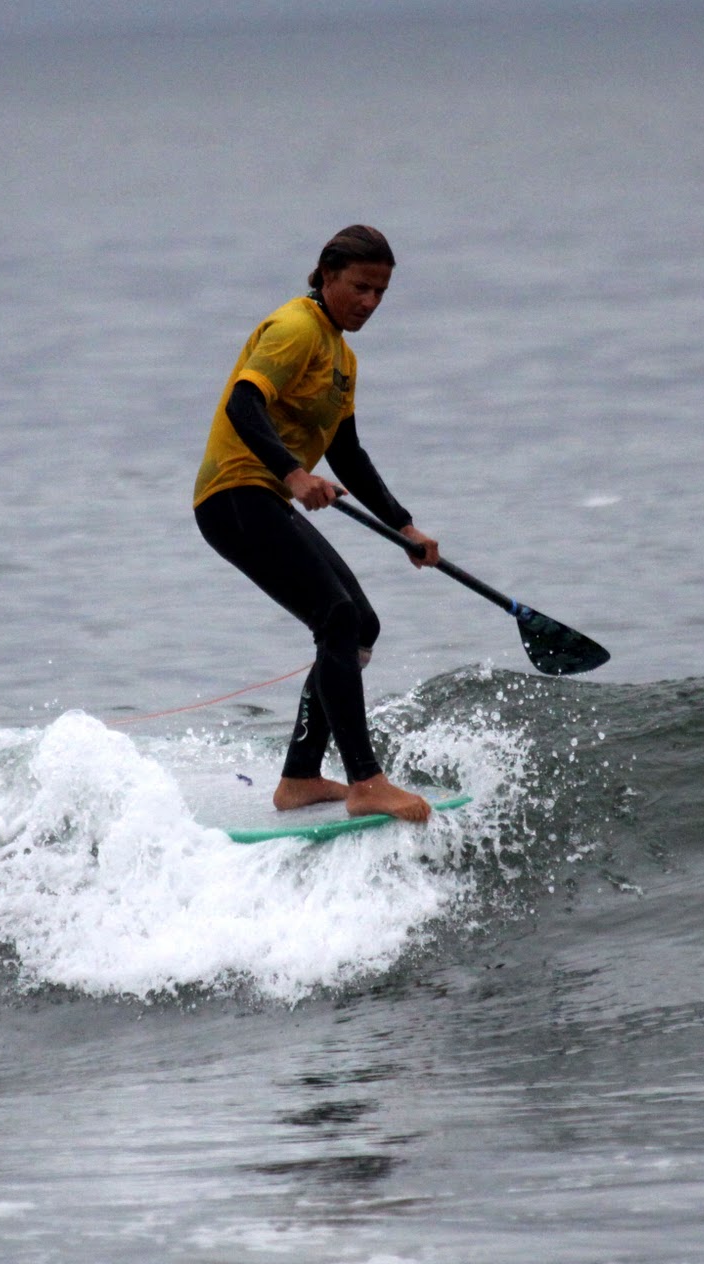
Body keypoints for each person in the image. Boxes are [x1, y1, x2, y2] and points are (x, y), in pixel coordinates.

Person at [193, 225, 440, 823]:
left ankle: (301, 778)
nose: (370, 302)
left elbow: (346, 452)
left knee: (359, 625)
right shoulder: (296, 328)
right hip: (234, 494)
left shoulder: (343, 358)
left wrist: (404, 526)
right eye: (360, 287)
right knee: (336, 616)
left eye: (381, 293)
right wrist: (294, 473)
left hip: (264, 498)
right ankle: (366, 782)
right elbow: (243, 403)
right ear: (327, 275)